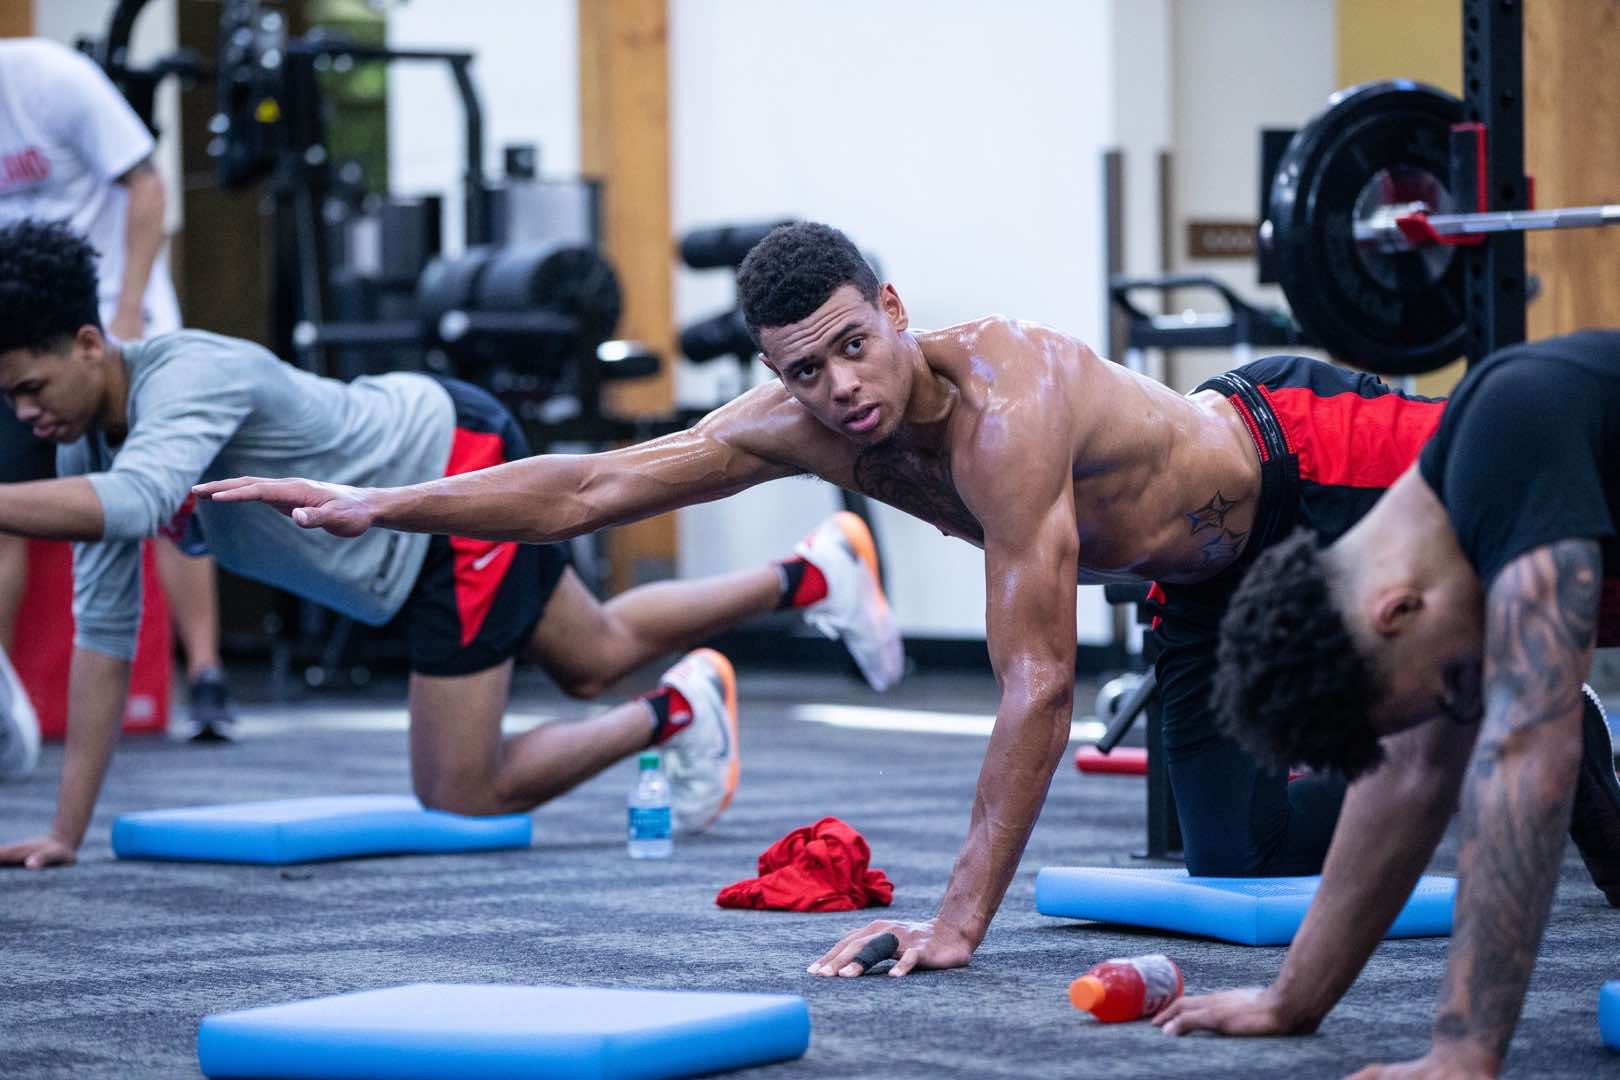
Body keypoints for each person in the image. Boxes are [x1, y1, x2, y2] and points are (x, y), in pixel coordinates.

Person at [199, 220, 1464, 977]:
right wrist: (383, 505)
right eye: (806, 369)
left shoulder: (1008, 407)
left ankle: (1494, 701)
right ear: (776, 373)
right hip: (1200, 579)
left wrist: (959, 920)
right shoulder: (799, 423)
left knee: (1521, 535)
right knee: (1229, 847)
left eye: (857, 344)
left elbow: (1038, 681)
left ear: (896, 313)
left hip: (1300, 449)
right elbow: (588, 488)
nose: (843, 386)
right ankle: (1437, 743)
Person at [0, 218, 900, 870]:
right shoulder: (88, 446)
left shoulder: (187, 373)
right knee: (594, 657)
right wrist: (65, 833)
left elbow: (137, 502)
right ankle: (810, 575)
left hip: (441, 480)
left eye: (33, 386)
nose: (27, 414)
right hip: (421, 497)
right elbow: (104, 635)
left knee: (460, 790)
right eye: (11, 401)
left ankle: (673, 714)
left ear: (90, 344)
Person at [1154, 330, 1620, 1078]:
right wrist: (1292, 1000)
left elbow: (1529, 749)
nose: (1460, 703)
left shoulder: (1515, 421)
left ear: (1395, 611)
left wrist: (1465, 1050)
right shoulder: (1448, 534)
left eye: (1445, 690)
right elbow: (1409, 777)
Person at [0, 36, 233, 740]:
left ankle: (208, 676)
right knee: (8, 509)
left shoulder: (52, 80)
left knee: (170, 504)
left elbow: (149, 185)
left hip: (110, 331)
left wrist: (126, 312)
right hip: (26, 342)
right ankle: (5, 702)